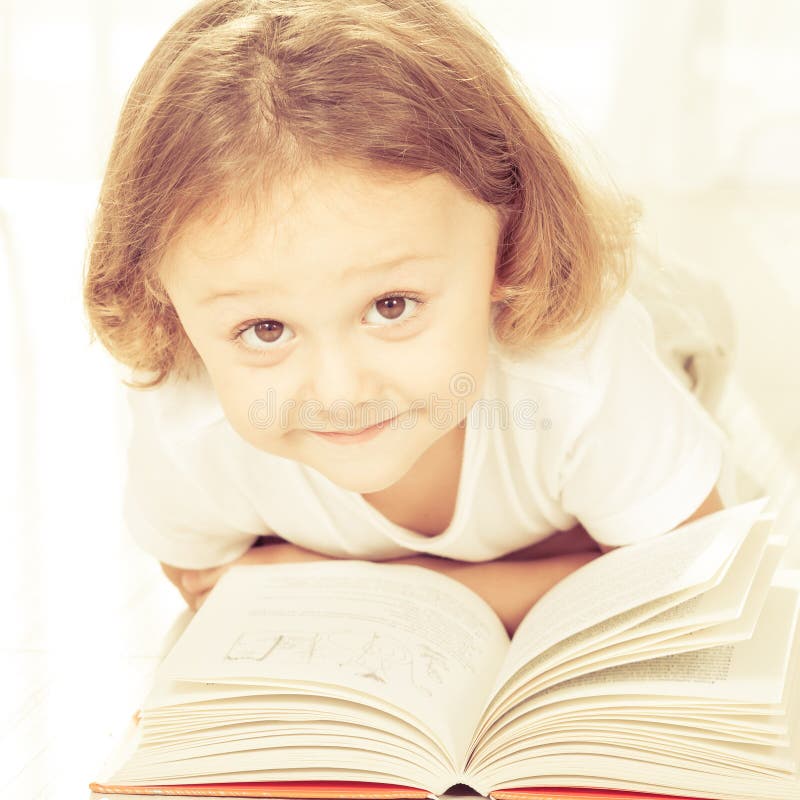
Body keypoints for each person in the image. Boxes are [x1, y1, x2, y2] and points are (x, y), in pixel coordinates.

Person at [83, 0, 728, 636]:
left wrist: (347, 589)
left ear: (508, 243)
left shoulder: (576, 374)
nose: (340, 393)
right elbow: (202, 581)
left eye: (391, 306)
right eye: (266, 330)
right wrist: (569, 563)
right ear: (162, 300)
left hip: (670, 325)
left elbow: (689, 574)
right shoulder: (191, 420)